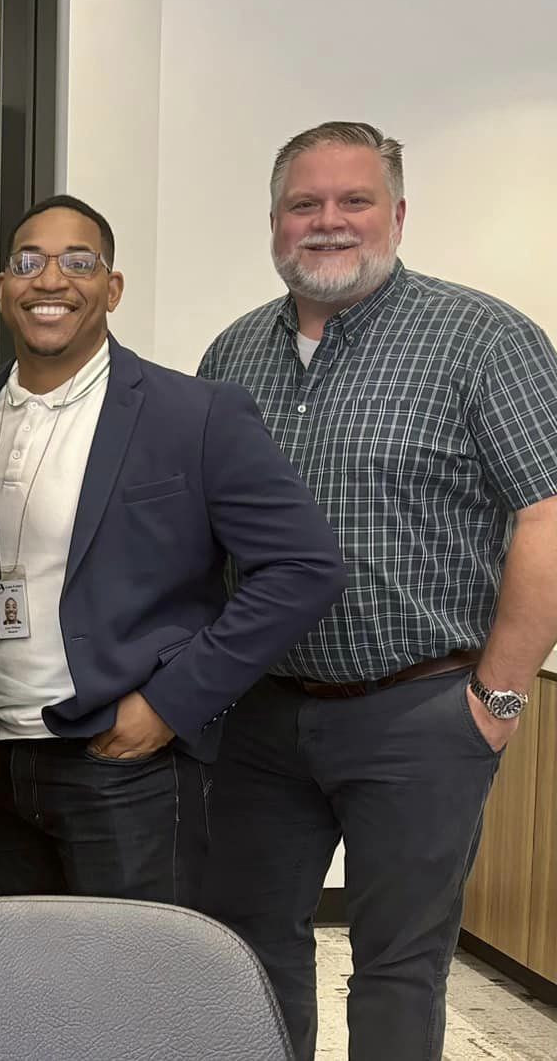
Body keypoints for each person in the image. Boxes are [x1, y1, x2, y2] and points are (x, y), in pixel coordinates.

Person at [199, 122, 557, 1061]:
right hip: (262, 720)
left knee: (398, 964)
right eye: (303, 204)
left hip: (422, 713)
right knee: (247, 949)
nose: (328, 222)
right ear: (274, 222)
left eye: (353, 201)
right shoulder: (232, 355)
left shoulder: (485, 340)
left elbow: (548, 519)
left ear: (396, 214)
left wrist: (499, 699)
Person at [0, 194, 345, 907]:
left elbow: (304, 568)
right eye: (28, 262)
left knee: (134, 1001)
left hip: (124, 763)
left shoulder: (193, 415)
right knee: (22, 991)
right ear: (2, 287)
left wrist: (169, 704)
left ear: (111, 289)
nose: (50, 280)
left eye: (79, 262)